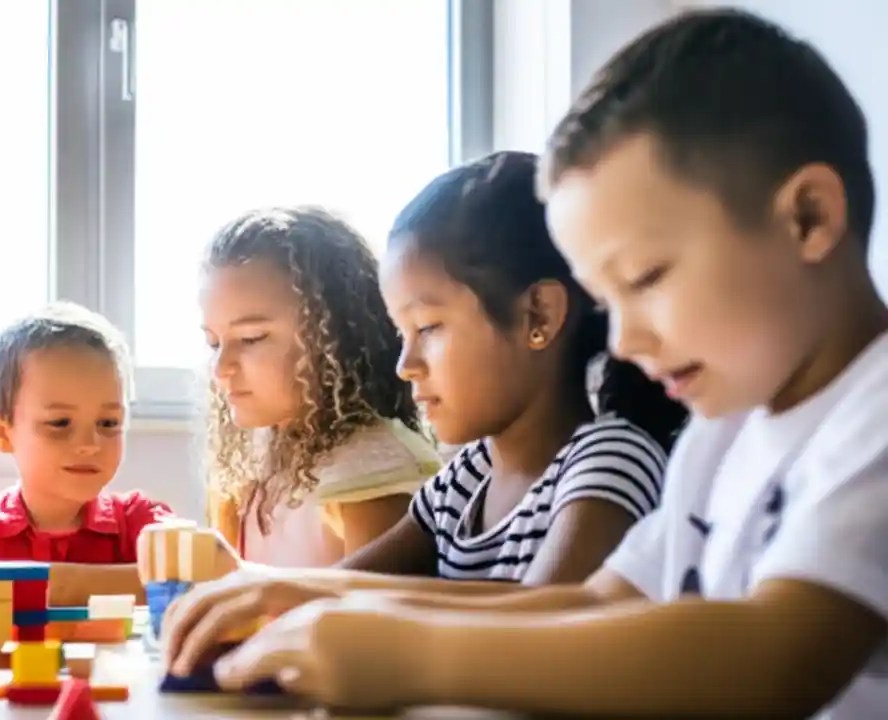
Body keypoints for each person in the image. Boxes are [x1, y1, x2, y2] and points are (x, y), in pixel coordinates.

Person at [206, 10, 888, 717]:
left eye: (648, 278)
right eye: (609, 299)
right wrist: (323, 594)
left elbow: (777, 654)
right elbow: (594, 604)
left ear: (807, 218)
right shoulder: (724, 435)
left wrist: (418, 655)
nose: (621, 342)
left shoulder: (875, 414)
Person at [200, 206, 440, 567]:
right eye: (214, 343)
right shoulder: (254, 461)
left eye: (251, 338)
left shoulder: (373, 465)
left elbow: (371, 616)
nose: (221, 368)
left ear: (334, 338)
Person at [0, 303, 173, 604]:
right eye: (60, 423)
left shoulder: (139, 521)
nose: (90, 444)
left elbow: (193, 581)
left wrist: (58, 585)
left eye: (108, 423)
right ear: (1, 432)